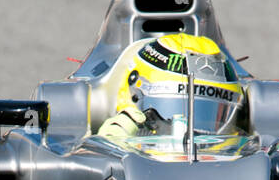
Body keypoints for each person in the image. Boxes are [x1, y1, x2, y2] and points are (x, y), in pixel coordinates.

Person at [96, 33, 245, 141]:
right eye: (172, 113)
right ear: (134, 95)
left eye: (207, 115)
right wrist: (111, 146)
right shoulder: (118, 136)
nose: (193, 137)